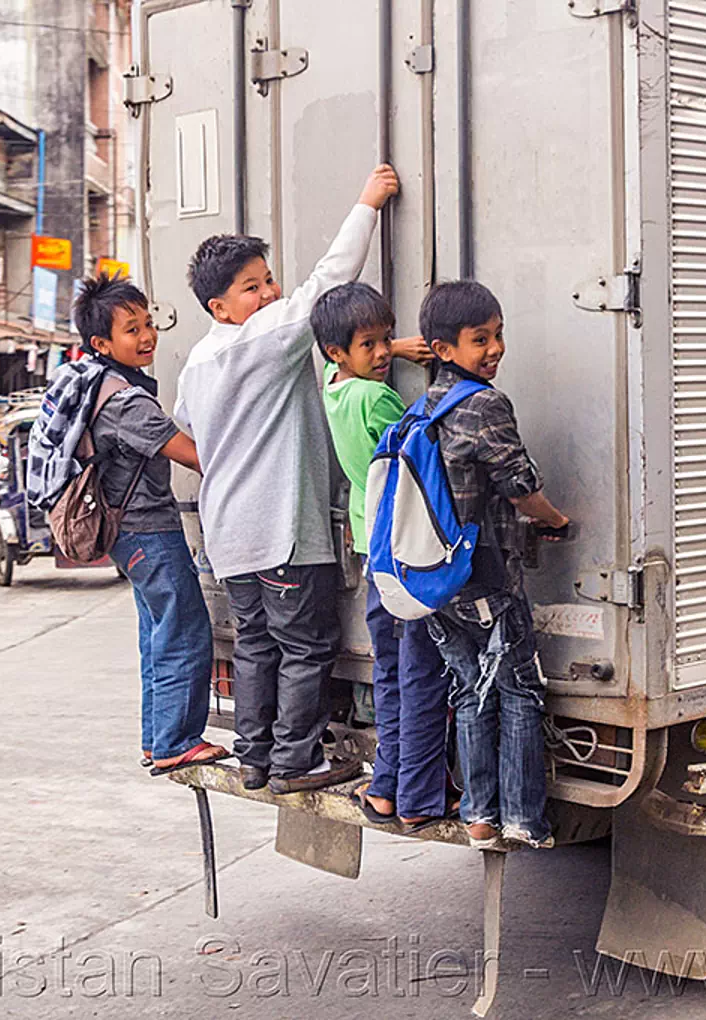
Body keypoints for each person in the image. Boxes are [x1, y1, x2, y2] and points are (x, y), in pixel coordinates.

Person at [175, 164, 399, 795]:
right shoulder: (263, 340)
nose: (270, 293)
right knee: (304, 646)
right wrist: (367, 203)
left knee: (256, 648)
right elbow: (328, 284)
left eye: (268, 280)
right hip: (281, 531)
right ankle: (296, 762)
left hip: (229, 538)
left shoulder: (199, 360)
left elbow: (188, 433)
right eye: (253, 287)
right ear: (221, 306)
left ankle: (255, 758)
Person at [417, 281, 571, 850]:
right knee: (520, 692)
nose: (496, 349)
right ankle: (524, 819)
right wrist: (555, 519)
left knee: (468, 691)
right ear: (443, 348)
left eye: (499, 335)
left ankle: (479, 814)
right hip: (489, 580)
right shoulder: (485, 404)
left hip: (437, 581)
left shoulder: (424, 406)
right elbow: (521, 487)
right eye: (480, 339)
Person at [69, 273, 232, 776]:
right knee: (183, 628)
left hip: (128, 533)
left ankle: (156, 737)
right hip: (147, 531)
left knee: (158, 632)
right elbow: (196, 456)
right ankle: (177, 740)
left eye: (147, 324)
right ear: (101, 343)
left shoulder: (104, 385)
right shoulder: (127, 402)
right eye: (131, 330)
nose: (146, 338)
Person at [311, 282, 449, 828]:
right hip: (406, 552)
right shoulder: (378, 398)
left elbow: (353, 361)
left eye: (385, 340)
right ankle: (416, 795)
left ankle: (387, 783)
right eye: (369, 345)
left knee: (389, 671)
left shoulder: (335, 387)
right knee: (420, 674)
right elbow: (420, 445)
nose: (382, 354)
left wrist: (398, 346)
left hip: (372, 551)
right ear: (337, 352)